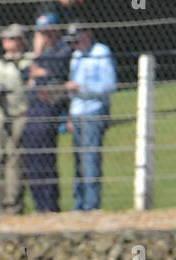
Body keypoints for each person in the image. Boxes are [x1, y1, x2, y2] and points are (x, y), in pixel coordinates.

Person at [23, 11, 73, 212]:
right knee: (32, 159)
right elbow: (25, 72)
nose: (45, 35)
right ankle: (39, 204)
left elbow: (58, 73)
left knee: (45, 157)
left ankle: (50, 204)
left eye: (49, 31)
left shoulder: (64, 50)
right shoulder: (42, 53)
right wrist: (38, 72)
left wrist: (40, 73)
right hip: (34, 106)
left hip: (49, 107)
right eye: (42, 32)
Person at [67, 24, 116, 211]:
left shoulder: (101, 52)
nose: (75, 45)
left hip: (94, 111)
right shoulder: (76, 56)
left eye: (77, 40)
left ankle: (91, 204)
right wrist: (70, 116)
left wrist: (82, 88)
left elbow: (109, 85)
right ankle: (78, 203)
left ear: (88, 35)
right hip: (77, 112)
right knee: (78, 159)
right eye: (72, 42)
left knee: (91, 158)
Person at [0, 24, 30, 214]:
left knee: (14, 159)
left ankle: (14, 204)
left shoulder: (28, 62)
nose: (7, 42)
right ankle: (2, 201)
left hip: (18, 115)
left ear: (22, 41)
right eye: (5, 39)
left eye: (12, 38)